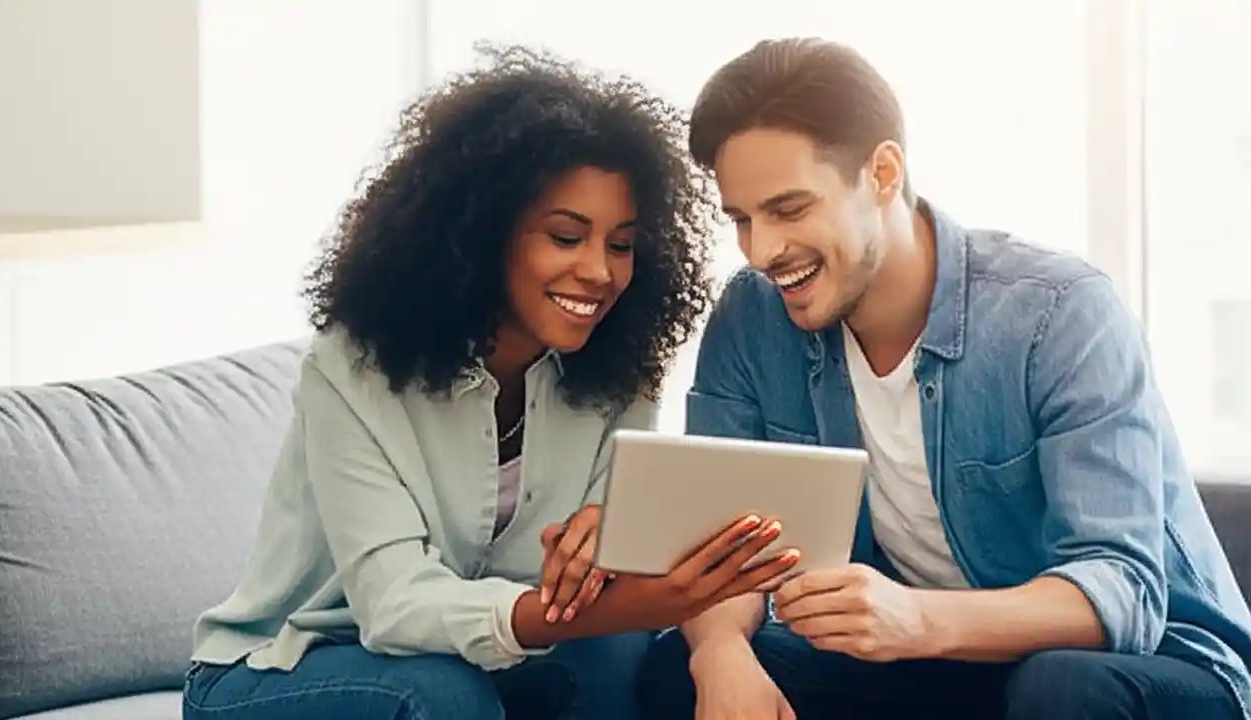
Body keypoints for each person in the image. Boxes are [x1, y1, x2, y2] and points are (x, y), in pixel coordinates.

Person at [636, 38, 1251, 719]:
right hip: (924, 661)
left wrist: (915, 618)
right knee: (681, 670)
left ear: (884, 173)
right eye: (742, 220)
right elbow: (721, 549)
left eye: (789, 210)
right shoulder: (752, 320)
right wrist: (719, 653)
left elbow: (1122, 588)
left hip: (1152, 663)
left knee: (1060, 688)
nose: (762, 251)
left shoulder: (1059, 313)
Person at [181, 45, 798, 720]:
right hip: (283, 667)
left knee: (625, 653)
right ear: (480, 233)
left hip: (477, 661)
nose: (599, 272)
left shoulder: (618, 375)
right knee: (441, 695)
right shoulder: (352, 371)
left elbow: (593, 579)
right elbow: (393, 605)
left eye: (620, 244)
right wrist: (642, 601)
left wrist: (623, 559)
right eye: (566, 237)